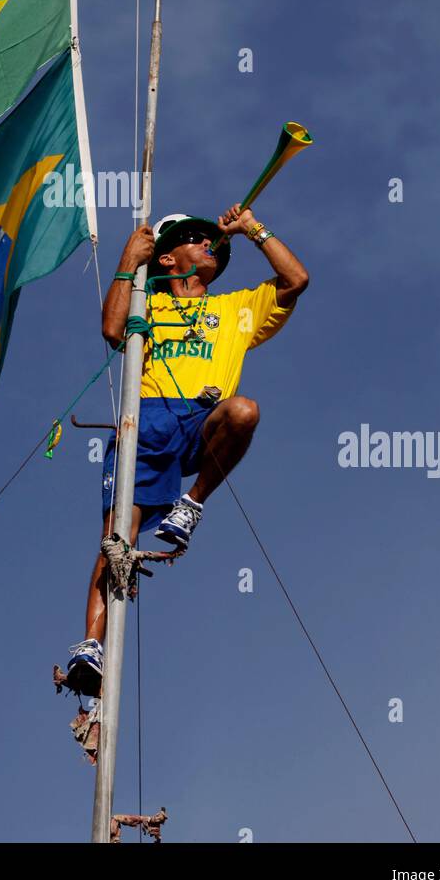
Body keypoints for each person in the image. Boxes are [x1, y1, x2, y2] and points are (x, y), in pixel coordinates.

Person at [65, 204, 309, 696]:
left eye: (208, 238)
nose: (205, 243)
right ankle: (90, 646)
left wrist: (252, 229)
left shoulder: (233, 308)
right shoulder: (145, 302)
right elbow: (113, 331)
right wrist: (127, 261)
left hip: (201, 415)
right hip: (147, 418)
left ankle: (191, 502)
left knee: (244, 411)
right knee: (118, 535)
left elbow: (295, 279)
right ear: (168, 259)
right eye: (192, 238)